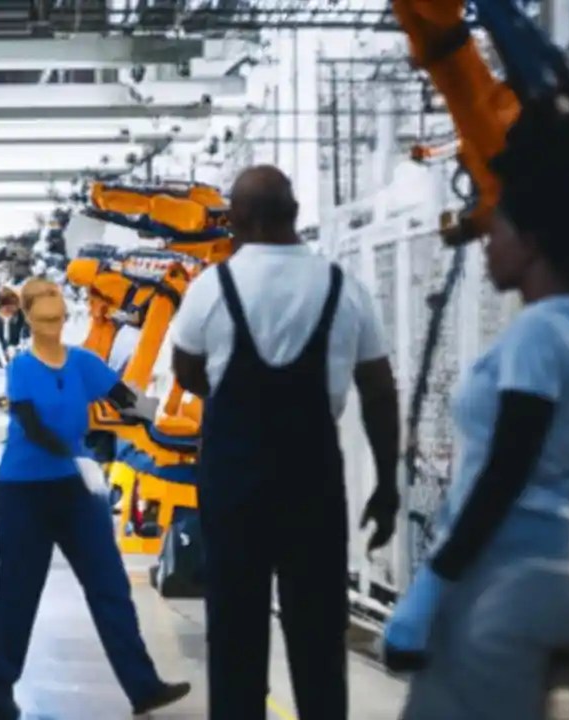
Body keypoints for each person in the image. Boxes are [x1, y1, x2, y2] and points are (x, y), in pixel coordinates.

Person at [168, 165, 401, 720]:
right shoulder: (344, 288)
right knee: (319, 639)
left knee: (234, 637)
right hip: (311, 483)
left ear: (233, 221)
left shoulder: (211, 288)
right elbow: (379, 390)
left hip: (233, 488)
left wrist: (232, 402)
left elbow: (184, 370)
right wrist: (387, 484)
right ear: (295, 215)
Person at [384, 114, 569, 719]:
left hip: (501, 580)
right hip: (549, 565)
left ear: (533, 242)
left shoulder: (539, 334)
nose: (487, 240)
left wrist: (432, 584)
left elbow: (505, 470)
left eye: (498, 229)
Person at [0, 277, 190, 720]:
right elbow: (34, 427)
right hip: (26, 493)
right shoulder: (22, 367)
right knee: (19, 592)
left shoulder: (83, 363)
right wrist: (77, 460)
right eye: (45, 319)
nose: (54, 328)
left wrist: (169, 422)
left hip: (77, 494)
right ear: (29, 318)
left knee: (109, 586)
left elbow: (126, 400)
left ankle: (144, 687)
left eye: (59, 319)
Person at [0, 287, 29, 352]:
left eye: (10, 307)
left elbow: (27, 340)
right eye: (6, 308)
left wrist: (15, 349)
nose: (8, 311)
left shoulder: (22, 320)